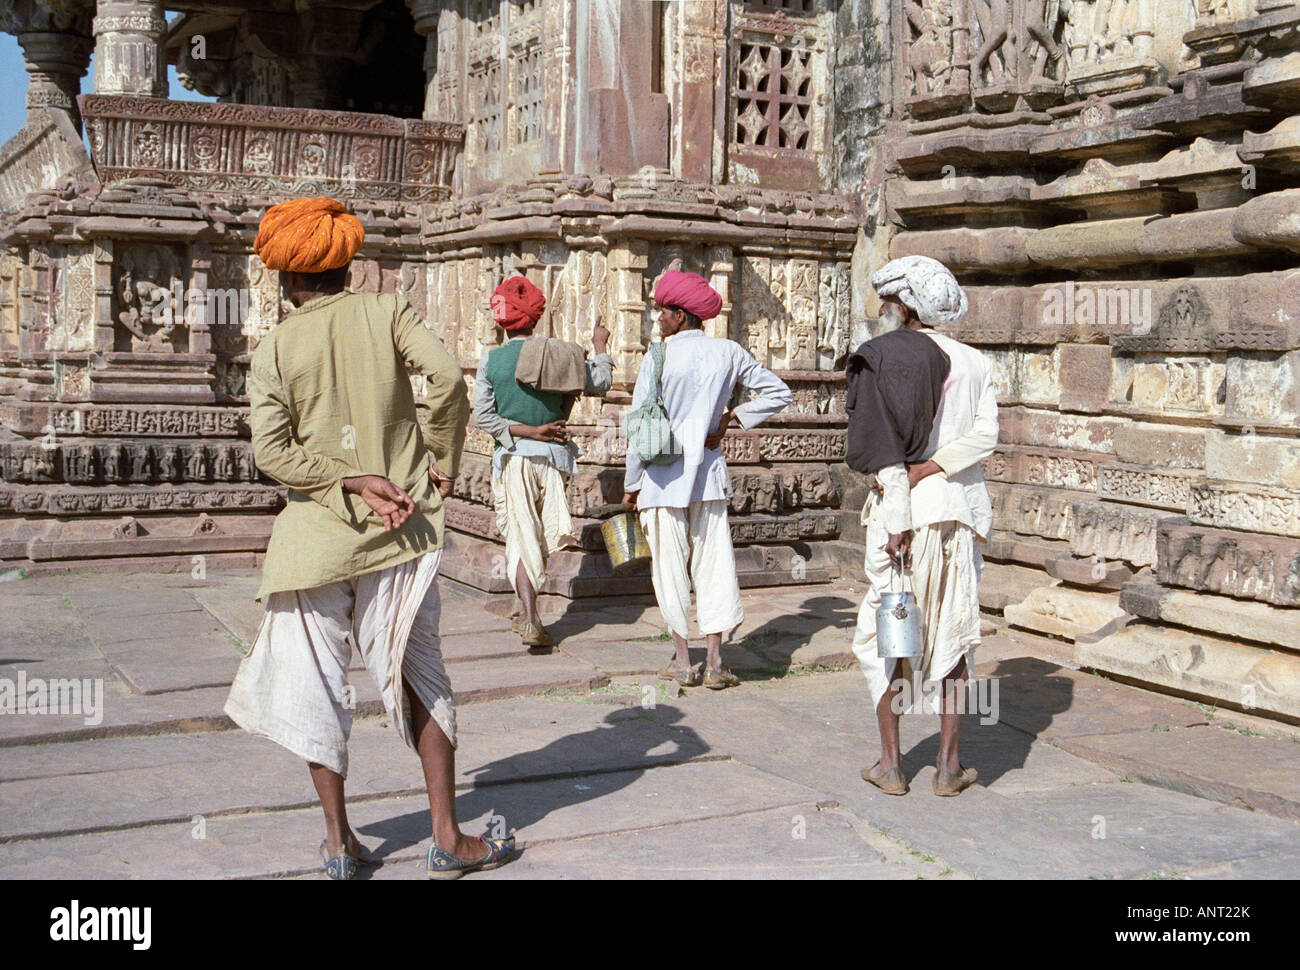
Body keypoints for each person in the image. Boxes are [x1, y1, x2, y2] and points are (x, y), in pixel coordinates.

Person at [224, 196, 512, 880]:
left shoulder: (275, 350)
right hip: (403, 531)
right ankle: (448, 837)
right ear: (347, 264)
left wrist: (347, 481)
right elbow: (445, 380)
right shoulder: (387, 312)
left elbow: (272, 451)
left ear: (287, 279)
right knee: (423, 678)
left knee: (315, 687)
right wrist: (438, 462)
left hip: (312, 544)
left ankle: (341, 845)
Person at [849, 254, 999, 798]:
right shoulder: (976, 362)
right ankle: (948, 767)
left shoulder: (885, 356)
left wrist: (904, 496)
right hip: (956, 512)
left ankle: (892, 767)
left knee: (894, 635)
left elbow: (886, 448)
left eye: (890, 303)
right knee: (954, 638)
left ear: (902, 306)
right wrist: (937, 465)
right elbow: (987, 436)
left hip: (904, 516)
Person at [622, 270, 792, 690]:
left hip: (662, 481)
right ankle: (715, 662)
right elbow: (778, 392)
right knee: (714, 567)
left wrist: (631, 483)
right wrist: (732, 417)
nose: (658, 317)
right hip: (709, 479)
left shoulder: (657, 357)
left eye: (663, 311)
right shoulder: (728, 352)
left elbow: (640, 426)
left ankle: (683, 661)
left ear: (681, 316)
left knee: (669, 569)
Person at [472, 275, 613, 650]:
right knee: (542, 537)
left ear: (501, 321)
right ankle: (527, 610)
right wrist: (599, 345)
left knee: (522, 537)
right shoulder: (562, 352)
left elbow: (484, 417)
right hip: (552, 460)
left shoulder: (492, 361)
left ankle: (531, 616)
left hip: (513, 458)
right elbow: (599, 382)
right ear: (535, 318)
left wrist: (526, 432)